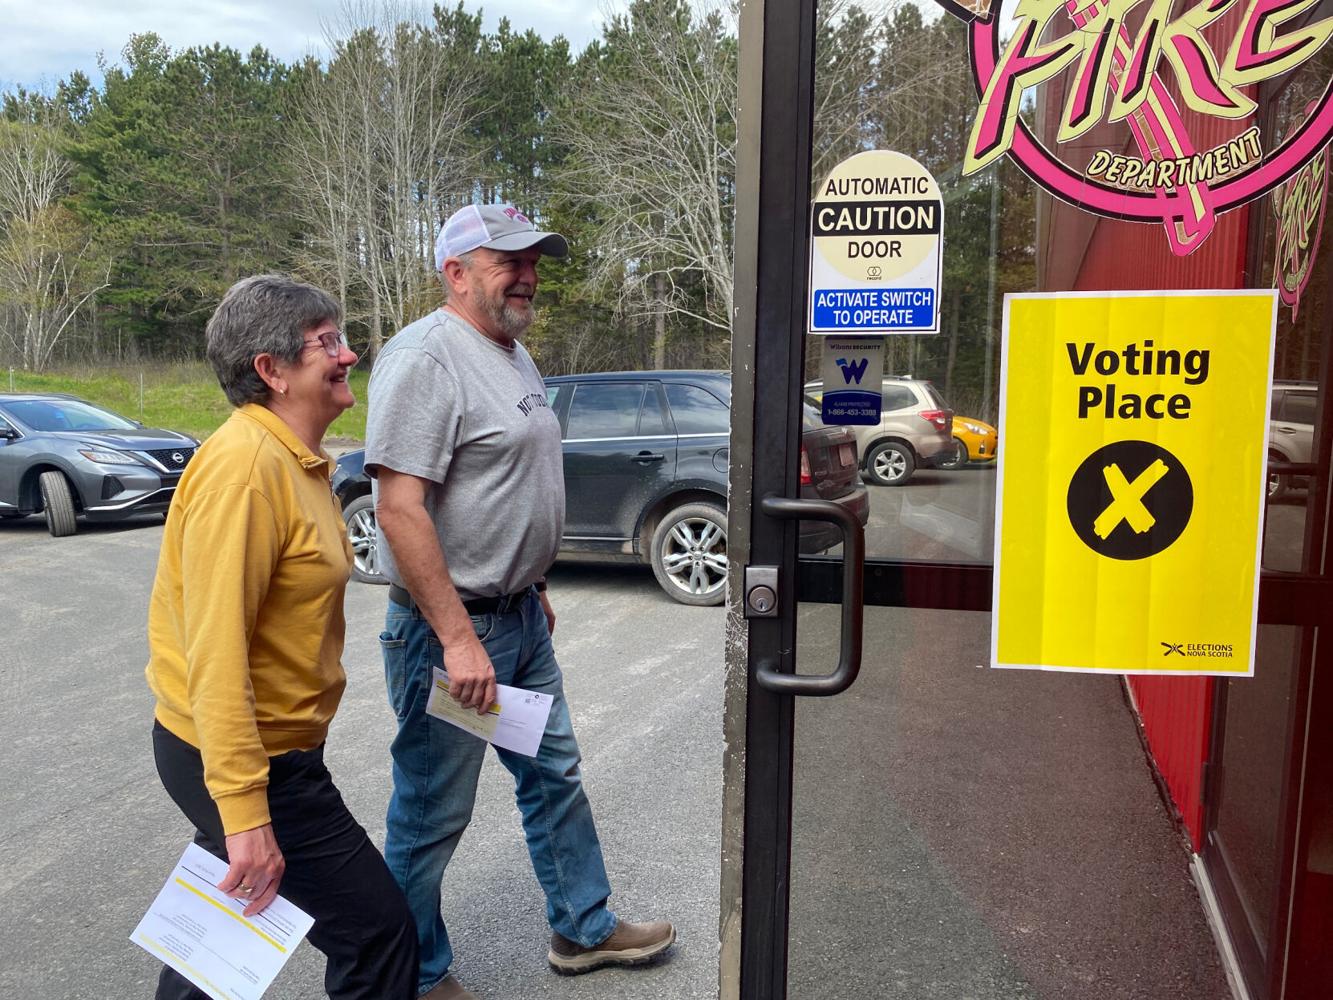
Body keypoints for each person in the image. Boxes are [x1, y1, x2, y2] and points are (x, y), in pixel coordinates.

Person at [366, 203, 675, 1000]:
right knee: (433, 814)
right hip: (460, 642)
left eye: (534, 259)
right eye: (508, 260)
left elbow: (505, 487)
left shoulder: (509, 352)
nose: (528, 273)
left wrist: (531, 585)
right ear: (456, 271)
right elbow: (400, 508)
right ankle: (413, 971)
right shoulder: (427, 359)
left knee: (552, 776)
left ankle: (582, 927)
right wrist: (461, 639)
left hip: (516, 625)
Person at [145, 275, 418, 1000]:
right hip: (244, 755)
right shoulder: (246, 470)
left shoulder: (290, 461)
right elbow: (214, 653)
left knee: (219, 943)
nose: (349, 354)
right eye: (327, 342)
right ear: (271, 370)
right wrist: (245, 812)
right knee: (377, 933)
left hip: (264, 751)